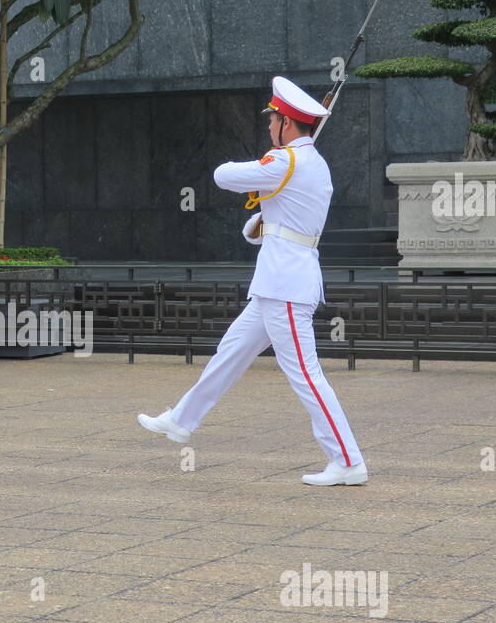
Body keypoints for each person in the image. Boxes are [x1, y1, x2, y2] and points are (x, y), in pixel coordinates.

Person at [137, 76, 367, 486]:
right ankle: (181, 420)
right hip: (275, 283)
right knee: (230, 353)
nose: (268, 126)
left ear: (288, 125)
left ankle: (348, 461)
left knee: (306, 375)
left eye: (273, 119)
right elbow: (272, 225)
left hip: (286, 286)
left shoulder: (287, 162)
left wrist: (267, 164)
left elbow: (222, 175)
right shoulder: (307, 164)